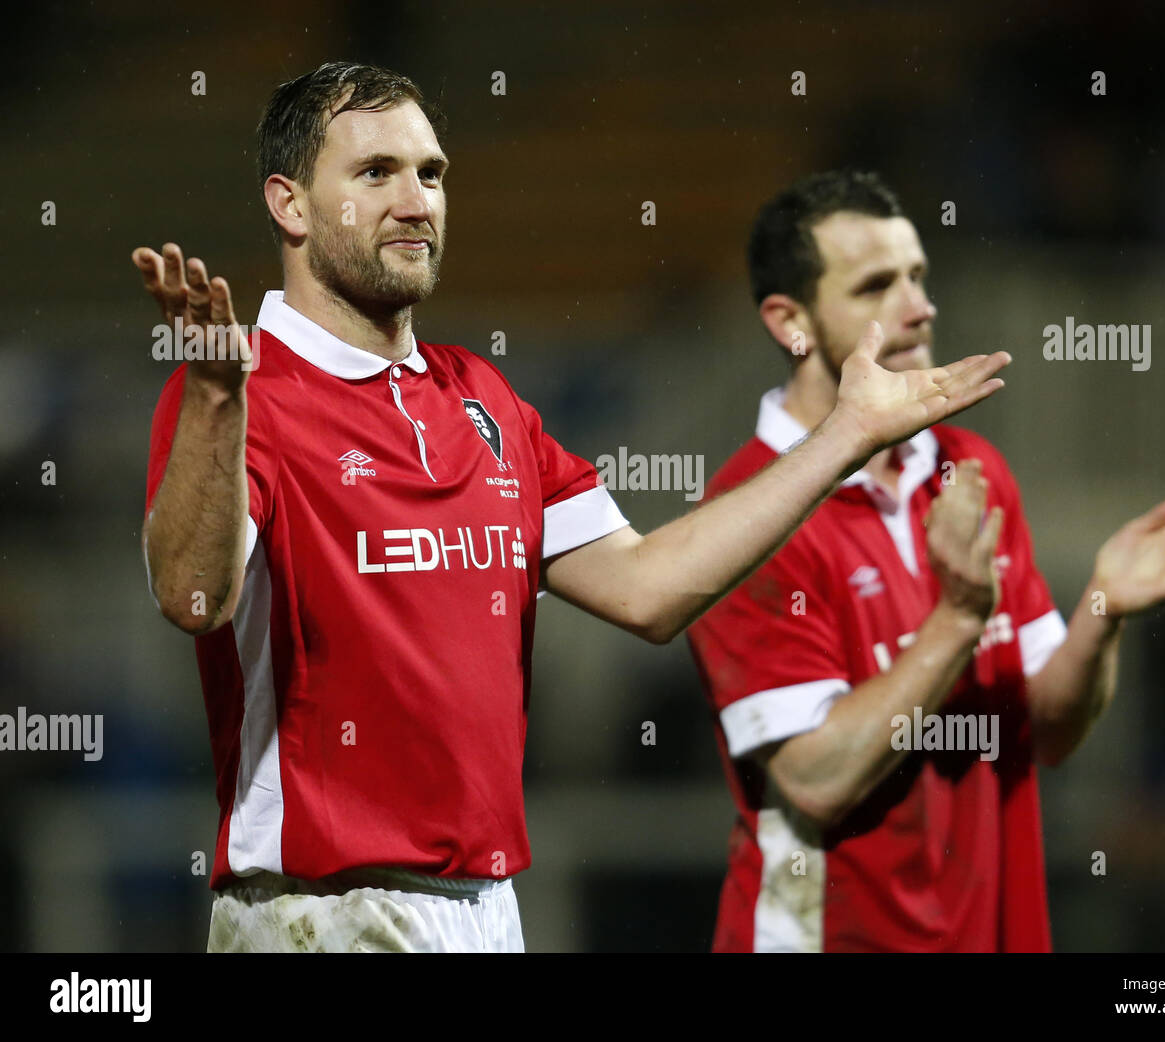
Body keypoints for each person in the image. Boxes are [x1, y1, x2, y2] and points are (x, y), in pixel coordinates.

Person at [134, 66, 1010, 953]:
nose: (416, 201)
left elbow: (649, 590)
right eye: (376, 174)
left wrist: (844, 434)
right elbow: (192, 600)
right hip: (316, 911)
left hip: (487, 906)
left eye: (431, 174)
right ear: (288, 204)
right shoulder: (245, 395)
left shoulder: (483, 400)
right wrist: (214, 398)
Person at [685, 169, 1165, 953]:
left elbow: (1046, 732)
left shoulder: (970, 469)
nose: (919, 306)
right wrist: (959, 618)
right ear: (790, 323)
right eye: (875, 287)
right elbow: (815, 778)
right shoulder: (745, 514)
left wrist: (1102, 610)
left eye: (918, 276)